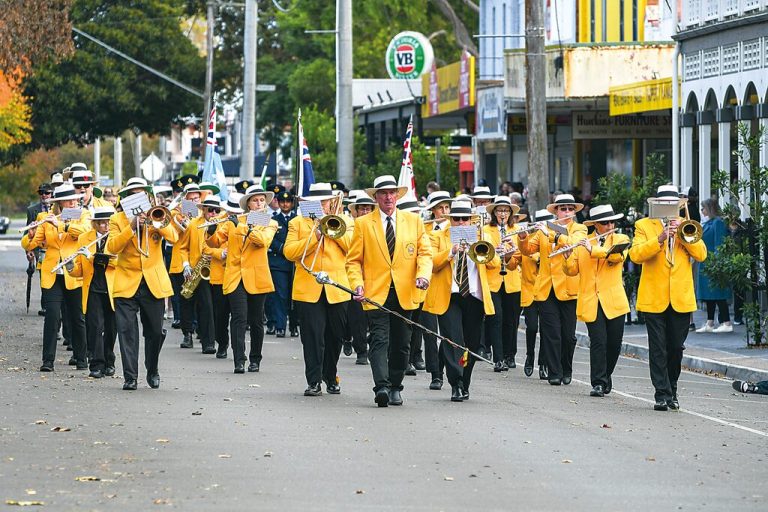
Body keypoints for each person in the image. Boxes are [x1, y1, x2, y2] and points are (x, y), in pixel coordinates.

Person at [346, 175, 433, 407]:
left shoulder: (413, 221)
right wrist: (357, 283)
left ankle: (396, 385)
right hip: (376, 292)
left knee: (402, 343)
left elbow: (424, 253)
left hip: (406, 291)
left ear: (397, 195)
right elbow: (353, 260)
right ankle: (381, 387)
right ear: (375, 197)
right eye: (383, 193)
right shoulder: (363, 224)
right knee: (379, 340)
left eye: (392, 193)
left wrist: (423, 275)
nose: (388, 197)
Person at [629, 185, 707, 411]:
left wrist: (683, 234)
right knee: (658, 347)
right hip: (654, 298)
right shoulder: (643, 225)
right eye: (665, 204)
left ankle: (672, 386)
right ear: (657, 205)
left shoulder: (687, 224)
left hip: (681, 298)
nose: (669, 208)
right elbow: (635, 255)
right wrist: (661, 238)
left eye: (674, 205)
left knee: (676, 347)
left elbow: (701, 254)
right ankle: (661, 394)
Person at [108, 177, 178, 390]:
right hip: (126, 282)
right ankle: (130, 377)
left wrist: (156, 221)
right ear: (127, 198)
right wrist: (130, 228)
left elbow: (174, 237)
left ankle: (152, 368)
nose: (138, 198)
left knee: (155, 331)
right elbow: (112, 247)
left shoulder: (157, 214)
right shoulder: (117, 219)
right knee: (127, 332)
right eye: (133, 194)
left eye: (142, 194)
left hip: (153, 282)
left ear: (148, 196)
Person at [284, 183, 353, 396]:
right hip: (308, 288)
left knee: (336, 336)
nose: (322, 205)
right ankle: (314, 381)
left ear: (332, 202)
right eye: (317, 201)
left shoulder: (346, 221)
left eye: (325, 201)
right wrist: (314, 236)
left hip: (337, 287)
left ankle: (330, 375)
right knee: (312, 337)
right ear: (307, 203)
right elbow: (289, 252)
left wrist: (332, 229)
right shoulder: (297, 223)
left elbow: (352, 248)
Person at [425, 200, 496, 401]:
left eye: (465, 219)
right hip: (451, 296)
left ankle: (465, 381)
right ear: (451, 220)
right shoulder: (438, 236)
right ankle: (455, 383)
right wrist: (451, 252)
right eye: (457, 219)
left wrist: (479, 248)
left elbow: (496, 263)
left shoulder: (482, 235)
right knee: (452, 340)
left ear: (471, 220)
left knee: (472, 344)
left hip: (474, 296)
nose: (462, 223)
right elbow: (432, 263)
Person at [207, 185, 278, 374]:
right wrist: (211, 229)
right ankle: (239, 359)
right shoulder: (234, 221)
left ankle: (255, 359)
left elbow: (262, 241)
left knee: (256, 320)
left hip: (257, 276)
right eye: (255, 200)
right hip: (235, 275)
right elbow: (214, 242)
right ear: (248, 204)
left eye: (262, 200)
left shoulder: (270, 222)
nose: (259, 203)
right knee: (238, 318)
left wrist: (242, 226)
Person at [519, 194, 587, 386]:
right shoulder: (544, 229)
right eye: (562, 209)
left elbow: (572, 243)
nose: (566, 212)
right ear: (555, 211)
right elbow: (528, 250)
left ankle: (567, 368)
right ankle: (554, 371)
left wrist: (553, 234)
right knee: (551, 333)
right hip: (546, 287)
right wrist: (523, 238)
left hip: (569, 287)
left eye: (569, 209)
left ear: (574, 212)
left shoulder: (580, 229)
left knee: (568, 335)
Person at [563, 204, 630, 397]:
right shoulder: (583, 242)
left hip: (614, 300)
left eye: (611, 222)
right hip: (591, 299)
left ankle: (606, 375)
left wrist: (593, 249)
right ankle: (598, 382)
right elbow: (571, 271)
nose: (609, 225)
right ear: (595, 225)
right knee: (598, 341)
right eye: (604, 223)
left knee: (614, 344)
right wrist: (567, 257)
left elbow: (617, 257)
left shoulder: (620, 239)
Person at [22, 183, 90, 371]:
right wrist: (31, 234)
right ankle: (48, 361)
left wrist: (60, 224)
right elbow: (30, 244)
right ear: (59, 202)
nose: (73, 202)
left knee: (77, 317)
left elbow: (84, 233)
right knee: (52, 316)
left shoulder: (81, 215)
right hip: (52, 273)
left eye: (74, 200)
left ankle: (81, 358)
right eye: (69, 200)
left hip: (72, 271)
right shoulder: (44, 217)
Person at [67, 206, 117, 379]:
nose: (105, 226)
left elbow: (115, 263)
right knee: (95, 327)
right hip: (93, 287)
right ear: (95, 224)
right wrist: (70, 267)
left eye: (108, 223)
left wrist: (91, 256)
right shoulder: (84, 238)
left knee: (111, 328)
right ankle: (96, 364)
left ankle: (109, 361)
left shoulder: (116, 238)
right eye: (102, 223)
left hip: (113, 288)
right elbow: (80, 269)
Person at [483, 196, 523, 372]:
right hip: (493, 280)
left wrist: (509, 254)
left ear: (511, 213)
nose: (502, 214)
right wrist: (497, 251)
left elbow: (518, 260)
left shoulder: (517, 230)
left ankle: (510, 355)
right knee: (495, 318)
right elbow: (484, 256)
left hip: (512, 281)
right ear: (494, 213)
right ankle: (498, 358)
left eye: (506, 211)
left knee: (511, 320)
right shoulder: (485, 230)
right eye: (499, 210)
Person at [179, 196, 222, 355]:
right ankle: (207, 342)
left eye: (216, 210)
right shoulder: (193, 225)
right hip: (200, 269)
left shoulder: (223, 224)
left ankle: (216, 340)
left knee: (216, 307)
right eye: (210, 209)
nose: (213, 213)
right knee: (205, 306)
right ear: (203, 209)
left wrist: (218, 253)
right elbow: (183, 247)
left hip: (219, 269)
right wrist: (185, 265)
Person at [422, 190, 454, 389]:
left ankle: (441, 365)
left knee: (448, 334)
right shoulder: (424, 230)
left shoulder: (457, 227)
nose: (444, 211)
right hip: (427, 286)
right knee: (429, 333)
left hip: (449, 286)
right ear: (433, 210)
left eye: (447, 207)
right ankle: (435, 373)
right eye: (440, 207)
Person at [170, 181, 205, 348]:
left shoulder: (204, 213)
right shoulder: (177, 213)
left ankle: (202, 331)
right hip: (181, 262)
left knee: (203, 301)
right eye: (191, 199)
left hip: (201, 261)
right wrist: (184, 217)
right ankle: (187, 333)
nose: (195, 201)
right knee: (185, 299)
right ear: (185, 199)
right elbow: (177, 231)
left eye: (197, 198)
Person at [210, 193, 244, 359]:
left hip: (239, 274)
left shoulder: (247, 220)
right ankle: (222, 343)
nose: (235, 214)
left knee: (239, 315)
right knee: (221, 314)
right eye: (232, 211)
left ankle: (240, 351)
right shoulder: (220, 221)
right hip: (220, 273)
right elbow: (208, 246)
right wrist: (219, 253)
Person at [345, 192, 376, 365]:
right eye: (362, 209)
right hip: (354, 276)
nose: (365, 212)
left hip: (375, 276)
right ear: (355, 211)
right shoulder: (350, 226)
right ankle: (361, 351)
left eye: (368, 209)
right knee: (357, 316)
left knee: (373, 316)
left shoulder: (377, 225)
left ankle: (373, 347)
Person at [696, 198, 732, 333]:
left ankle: (726, 322)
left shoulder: (718, 223)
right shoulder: (708, 223)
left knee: (718, 293)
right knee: (709, 294)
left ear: (710, 208)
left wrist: (717, 262)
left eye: (703, 208)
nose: (701, 211)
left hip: (713, 263)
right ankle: (710, 322)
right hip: (706, 262)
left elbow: (719, 243)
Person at [521, 209, 549, 379]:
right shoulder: (529, 242)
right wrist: (508, 256)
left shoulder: (552, 242)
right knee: (532, 327)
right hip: (530, 292)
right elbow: (514, 261)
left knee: (547, 329)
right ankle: (530, 355)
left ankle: (543, 362)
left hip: (546, 291)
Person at [266, 190, 297, 338]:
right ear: (278, 202)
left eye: (288, 201)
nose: (285, 204)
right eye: (283, 202)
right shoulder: (273, 220)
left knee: (294, 295)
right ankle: (280, 325)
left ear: (292, 203)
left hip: (295, 263)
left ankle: (294, 325)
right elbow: (269, 238)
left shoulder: (298, 219)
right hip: (278, 262)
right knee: (280, 295)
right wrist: (284, 249)